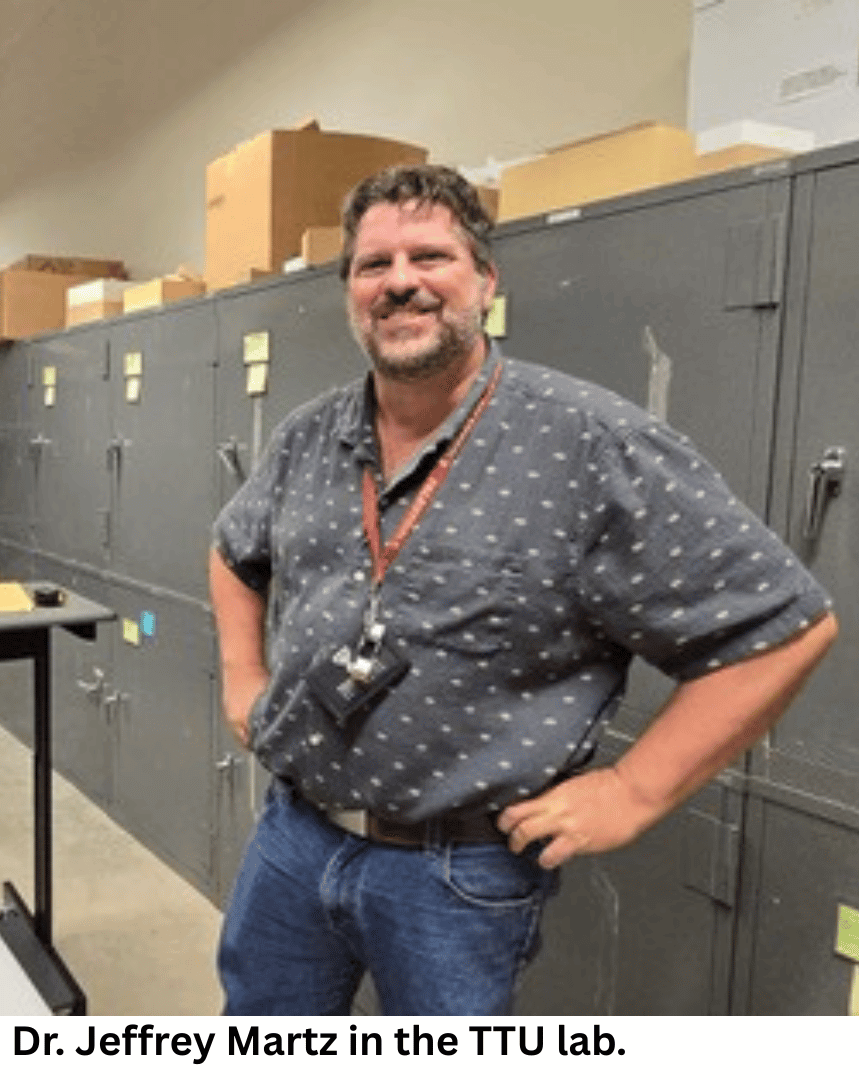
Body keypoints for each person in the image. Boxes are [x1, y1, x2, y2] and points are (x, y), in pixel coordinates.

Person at [208, 163, 837, 1015]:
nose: (400, 283)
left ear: (485, 278)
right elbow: (234, 551)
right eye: (373, 265)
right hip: (294, 835)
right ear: (351, 289)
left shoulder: (591, 444)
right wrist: (243, 682)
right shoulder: (308, 437)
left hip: (455, 876)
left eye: (430, 257)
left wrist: (636, 790)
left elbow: (786, 626)